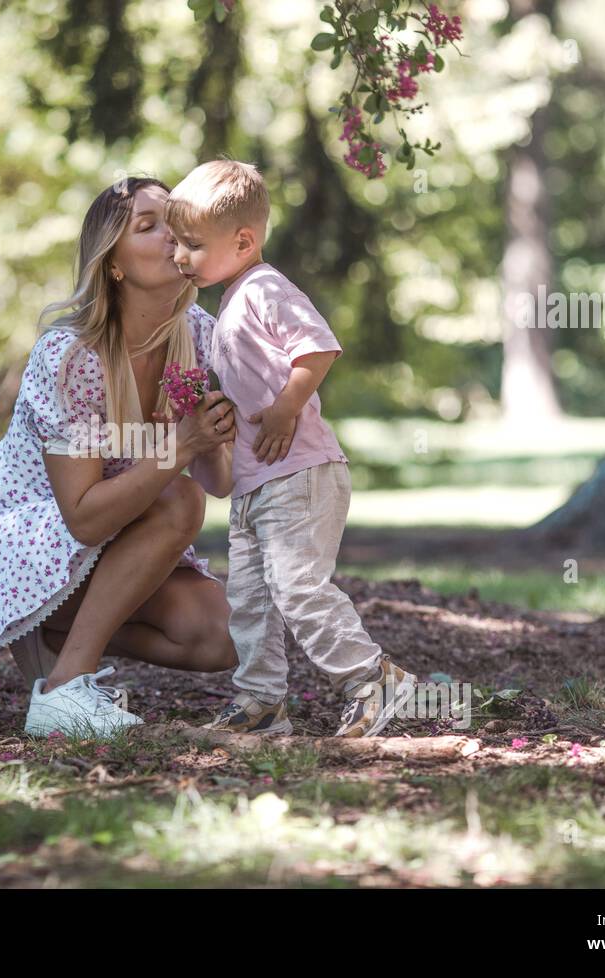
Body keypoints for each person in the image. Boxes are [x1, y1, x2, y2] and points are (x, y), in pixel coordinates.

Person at [0, 177, 239, 738]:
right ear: (113, 264)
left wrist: (210, 433)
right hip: (16, 535)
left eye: (174, 222)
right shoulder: (74, 358)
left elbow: (220, 481)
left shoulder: (199, 336)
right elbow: (81, 515)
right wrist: (179, 446)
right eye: (147, 226)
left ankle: (50, 636)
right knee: (178, 494)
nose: (169, 236)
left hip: (114, 531)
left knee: (221, 636)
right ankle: (64, 689)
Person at [166, 159, 417, 738]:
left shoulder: (265, 288)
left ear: (244, 240)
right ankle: (261, 702)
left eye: (193, 245)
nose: (180, 256)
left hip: (301, 474)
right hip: (258, 482)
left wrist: (285, 406)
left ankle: (372, 679)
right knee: (249, 599)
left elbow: (319, 349)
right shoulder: (229, 301)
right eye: (178, 243)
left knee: (298, 587)